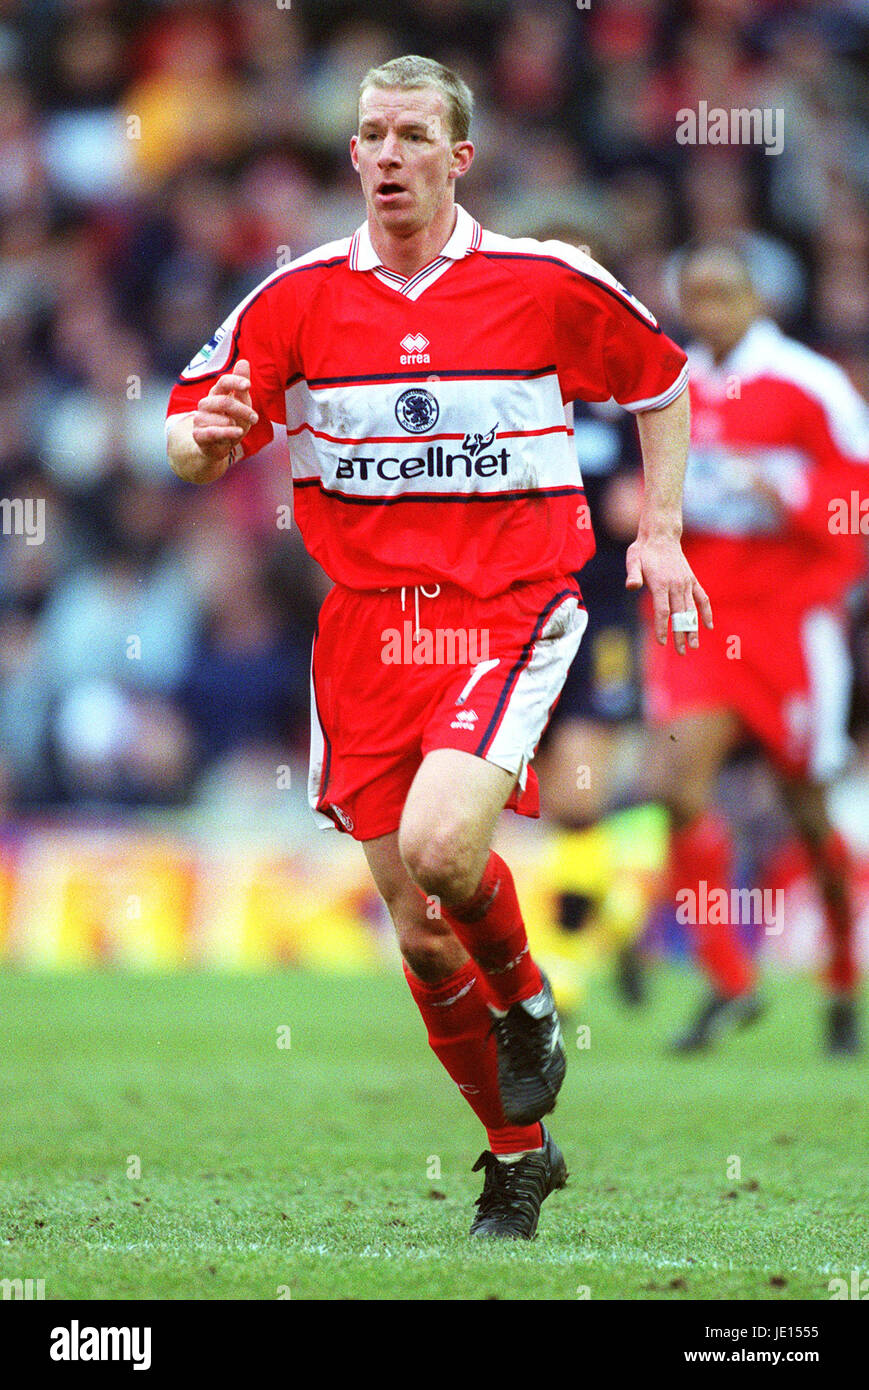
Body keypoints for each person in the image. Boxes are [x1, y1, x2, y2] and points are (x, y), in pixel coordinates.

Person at [166, 55, 709, 1238]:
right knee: (414, 925)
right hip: (364, 632)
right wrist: (203, 445)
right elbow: (191, 429)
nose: (390, 154)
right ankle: (518, 1155)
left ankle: (526, 1002)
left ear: (458, 158)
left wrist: (659, 533)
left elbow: (661, 384)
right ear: (351, 154)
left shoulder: (543, 280)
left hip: (504, 603)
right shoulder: (297, 296)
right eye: (372, 134)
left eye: (415, 134)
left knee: (442, 847)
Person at [642, 242, 868, 1054]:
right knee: (673, 783)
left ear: (755, 299)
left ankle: (842, 980)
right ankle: (726, 979)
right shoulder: (670, 388)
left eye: (721, 294)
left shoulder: (811, 385)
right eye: (693, 296)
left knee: (808, 812)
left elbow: (859, 493)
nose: (707, 312)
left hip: (789, 623)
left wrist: (794, 492)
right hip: (702, 617)